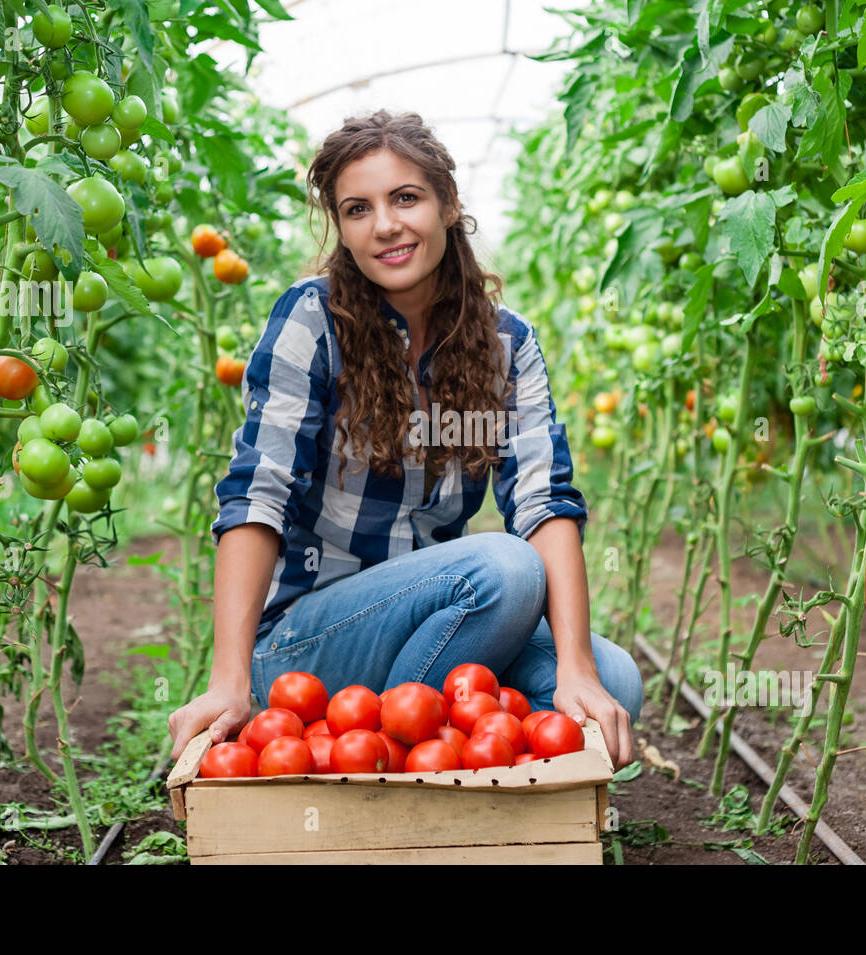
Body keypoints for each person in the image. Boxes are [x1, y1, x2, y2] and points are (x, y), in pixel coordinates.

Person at [167, 110, 641, 768]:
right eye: (357, 208)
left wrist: (578, 669)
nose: (384, 224)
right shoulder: (313, 320)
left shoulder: (508, 343)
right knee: (504, 570)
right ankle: (388, 749)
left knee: (613, 682)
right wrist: (228, 677)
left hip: (435, 622)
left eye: (406, 198)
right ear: (342, 226)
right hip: (309, 636)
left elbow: (545, 499)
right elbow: (258, 494)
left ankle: (387, 743)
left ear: (448, 205)